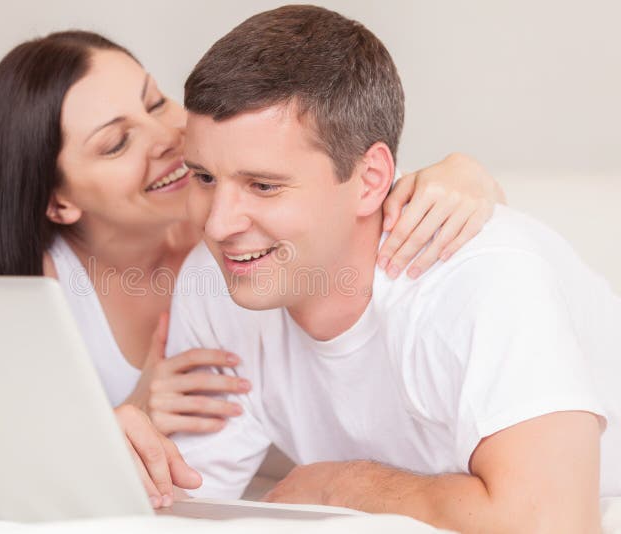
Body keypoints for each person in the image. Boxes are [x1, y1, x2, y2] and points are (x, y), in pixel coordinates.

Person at [0, 31, 504, 505]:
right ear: (59, 202)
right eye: (116, 143)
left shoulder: (258, 223)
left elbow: (350, 176)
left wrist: (468, 175)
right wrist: (129, 417)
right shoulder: (36, 293)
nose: (167, 138)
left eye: (155, 102)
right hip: (232, 489)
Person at [166, 5, 621, 532]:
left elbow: (553, 525)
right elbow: (187, 511)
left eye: (263, 185)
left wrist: (339, 486)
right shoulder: (216, 279)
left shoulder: (483, 279)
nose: (218, 225)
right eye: (202, 176)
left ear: (369, 180)